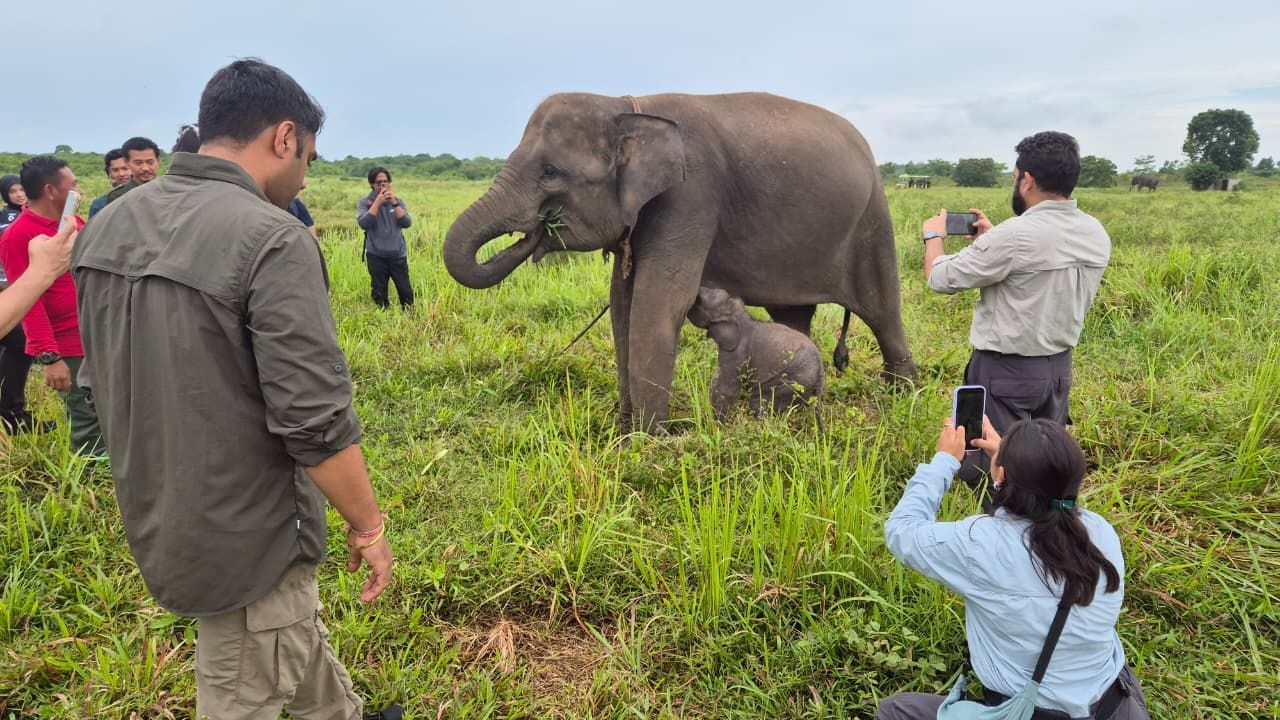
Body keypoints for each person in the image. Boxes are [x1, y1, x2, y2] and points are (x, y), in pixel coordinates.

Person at [73, 58, 401, 720]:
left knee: (286, 632)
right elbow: (314, 421)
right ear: (285, 137)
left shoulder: (111, 223)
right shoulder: (272, 237)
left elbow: (98, 377)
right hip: (251, 530)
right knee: (251, 663)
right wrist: (368, 526)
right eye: (307, 158)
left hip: (161, 503)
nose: (304, 177)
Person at [876, 416, 1150, 719]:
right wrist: (1013, 467)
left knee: (894, 711)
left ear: (1002, 473)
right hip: (1115, 706)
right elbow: (1037, 516)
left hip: (1030, 713)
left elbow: (901, 531)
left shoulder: (979, 544)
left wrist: (944, 461)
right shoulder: (1101, 533)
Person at [922, 131, 1110, 487]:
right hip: (1058, 369)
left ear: (1027, 180)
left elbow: (940, 277)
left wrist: (933, 236)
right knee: (1043, 464)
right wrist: (991, 241)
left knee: (994, 464)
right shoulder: (1094, 231)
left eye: (1015, 177)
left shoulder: (1014, 236)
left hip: (1005, 369)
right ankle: (1047, 517)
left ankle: (998, 519)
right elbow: (1038, 258)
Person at [0, 157, 105, 454]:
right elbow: (28, 303)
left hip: (95, 332)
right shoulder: (19, 235)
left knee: (105, 405)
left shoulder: (73, 223)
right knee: (85, 414)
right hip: (67, 344)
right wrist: (50, 357)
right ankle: (91, 473)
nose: (79, 191)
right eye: (73, 185)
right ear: (50, 190)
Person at [2, 175, 59, 433]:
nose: (18, 194)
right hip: (12, 290)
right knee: (19, 341)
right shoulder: (10, 221)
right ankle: (11, 415)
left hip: (13, 291)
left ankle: (11, 414)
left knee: (18, 342)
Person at [357, 166, 414, 308]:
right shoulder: (365, 202)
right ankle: (383, 318)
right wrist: (378, 202)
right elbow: (364, 223)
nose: (382, 185)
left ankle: (410, 317)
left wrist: (394, 203)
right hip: (376, 256)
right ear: (371, 184)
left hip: (397, 255)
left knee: (406, 291)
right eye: (379, 183)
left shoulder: (398, 201)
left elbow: (406, 223)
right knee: (379, 294)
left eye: (385, 182)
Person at [99, 136, 162, 208]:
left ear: (158, 161)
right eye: (138, 163)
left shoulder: (168, 189)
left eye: (150, 162)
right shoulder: (118, 195)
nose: (145, 168)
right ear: (127, 162)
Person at [87, 149, 132, 218]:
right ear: (109, 174)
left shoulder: (145, 197)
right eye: (115, 170)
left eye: (125, 168)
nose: (121, 174)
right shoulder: (99, 205)